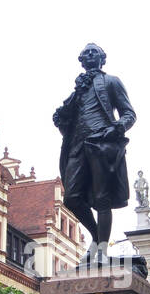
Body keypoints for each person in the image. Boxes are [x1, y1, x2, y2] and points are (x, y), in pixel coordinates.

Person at [52, 43, 137, 263]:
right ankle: (97, 237)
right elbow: (66, 119)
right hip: (77, 145)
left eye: (94, 52)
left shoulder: (111, 82)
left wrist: (117, 127)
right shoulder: (77, 90)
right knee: (71, 198)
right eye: (86, 53)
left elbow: (129, 114)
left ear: (102, 59)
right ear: (81, 60)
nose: (90, 55)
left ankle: (101, 251)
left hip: (101, 143)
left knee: (102, 199)